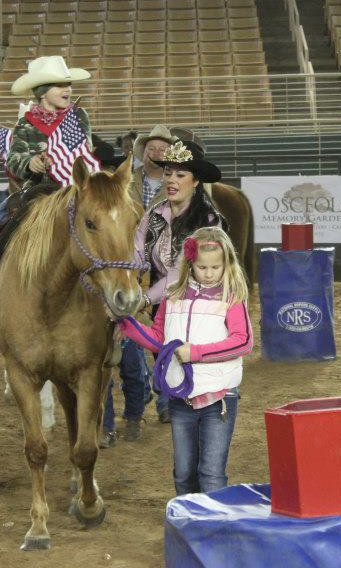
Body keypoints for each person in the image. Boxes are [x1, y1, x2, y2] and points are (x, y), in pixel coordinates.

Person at [0, 56, 92, 321]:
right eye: (59, 84)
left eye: (67, 83)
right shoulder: (26, 123)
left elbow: (84, 149)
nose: (67, 89)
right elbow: (14, 158)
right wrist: (31, 162)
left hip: (73, 189)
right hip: (36, 191)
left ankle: (114, 299)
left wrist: (60, 159)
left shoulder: (78, 116)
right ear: (42, 91)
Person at [119, 226, 252, 495]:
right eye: (203, 267)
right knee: (183, 473)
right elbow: (160, 338)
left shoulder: (232, 299)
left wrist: (196, 353)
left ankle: (211, 531)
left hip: (220, 398)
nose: (210, 273)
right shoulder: (173, 296)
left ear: (227, 264)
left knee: (212, 474)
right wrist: (127, 324)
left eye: (216, 267)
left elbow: (243, 341)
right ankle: (187, 528)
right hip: (181, 399)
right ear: (190, 264)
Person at [134, 136, 226, 423]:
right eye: (168, 172)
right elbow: (136, 253)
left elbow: (179, 272)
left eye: (181, 174)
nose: (171, 180)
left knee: (195, 368)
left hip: (202, 308)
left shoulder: (208, 221)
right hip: (166, 304)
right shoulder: (154, 214)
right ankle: (172, 402)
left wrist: (144, 297)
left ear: (195, 181)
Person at [98, 124, 175, 447]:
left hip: (161, 264)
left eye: (162, 148)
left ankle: (167, 401)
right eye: (151, 147)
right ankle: (119, 417)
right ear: (142, 151)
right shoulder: (128, 179)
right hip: (130, 264)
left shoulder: (174, 183)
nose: (155, 153)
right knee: (123, 351)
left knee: (168, 335)